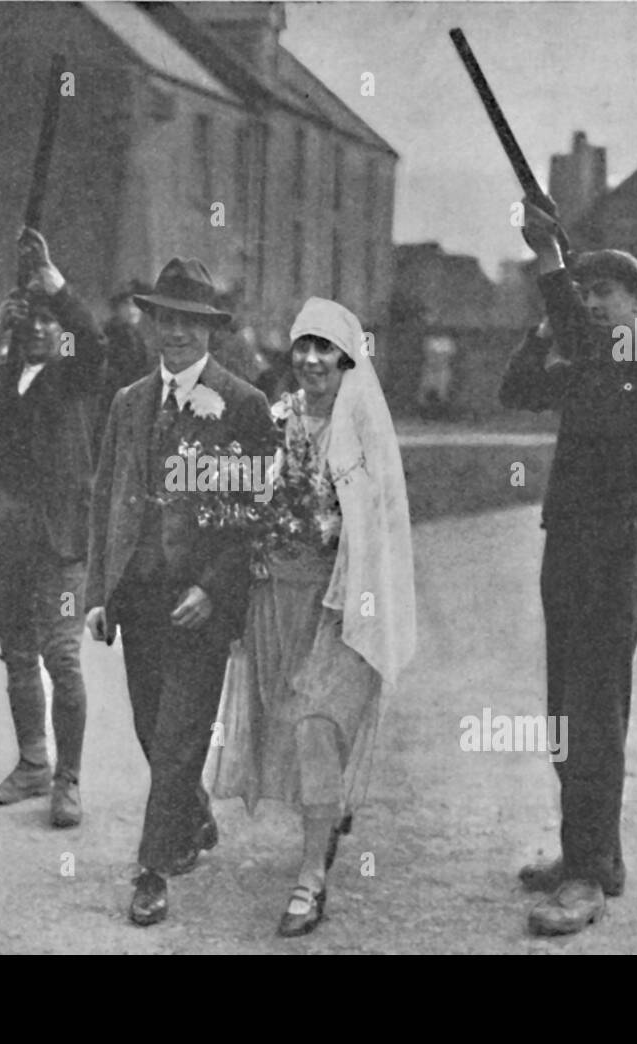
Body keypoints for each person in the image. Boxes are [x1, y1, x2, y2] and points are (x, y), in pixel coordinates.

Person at [499, 201, 637, 936]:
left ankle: (587, 876)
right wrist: (546, 322)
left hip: (615, 551)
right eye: (587, 289)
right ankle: (591, 857)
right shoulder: (591, 360)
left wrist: (550, 267)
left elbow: (586, 343)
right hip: (569, 545)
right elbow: (515, 392)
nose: (594, 301)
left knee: (594, 716)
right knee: (566, 712)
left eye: (606, 291)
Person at [210, 297, 416, 937]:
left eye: (325, 348)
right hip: (279, 600)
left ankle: (310, 880)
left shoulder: (364, 431)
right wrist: (253, 537)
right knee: (290, 724)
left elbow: (378, 528)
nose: (311, 359)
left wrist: (356, 592)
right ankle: (325, 820)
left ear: (347, 359)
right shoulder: (276, 421)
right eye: (302, 346)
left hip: (342, 602)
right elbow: (242, 498)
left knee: (314, 723)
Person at [85, 257, 276, 926]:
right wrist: (98, 592)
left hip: (201, 604)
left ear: (210, 332)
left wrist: (216, 588)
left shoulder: (245, 404)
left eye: (191, 323)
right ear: (149, 323)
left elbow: (258, 511)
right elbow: (105, 497)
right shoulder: (129, 403)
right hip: (139, 598)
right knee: (150, 726)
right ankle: (191, 815)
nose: (176, 333)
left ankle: (151, 870)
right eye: (166, 319)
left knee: (176, 738)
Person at [0, 228, 106, 828]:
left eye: (48, 320)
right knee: (18, 654)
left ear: (63, 332)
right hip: (4, 542)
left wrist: (53, 281)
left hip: (59, 542)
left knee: (62, 656)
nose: (37, 328)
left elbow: (97, 343)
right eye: (29, 320)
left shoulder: (75, 378)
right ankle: (32, 765)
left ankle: (68, 779)